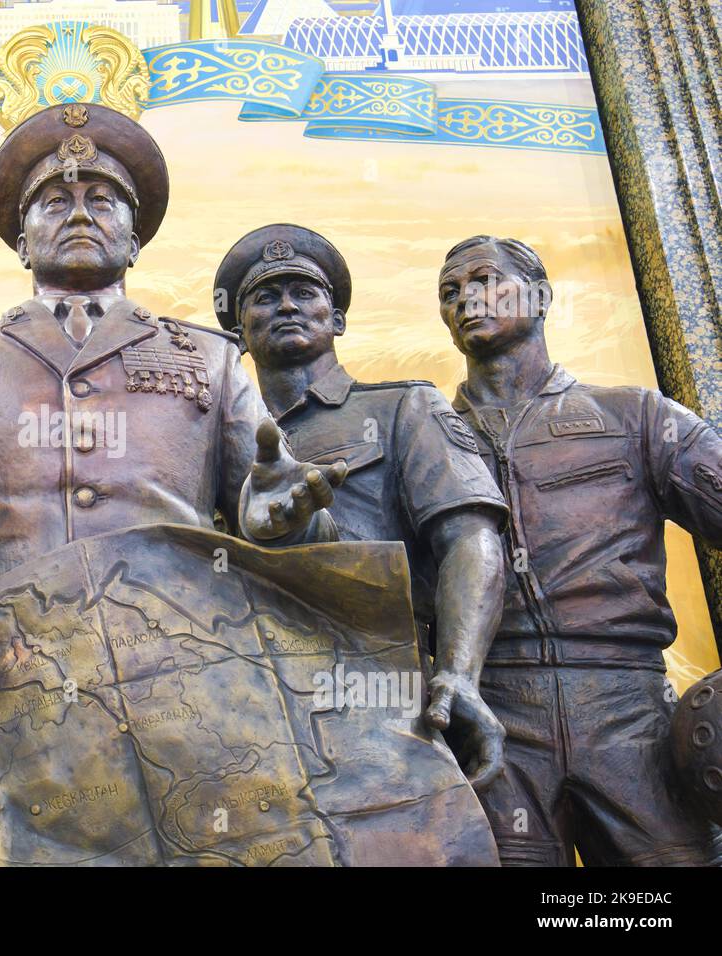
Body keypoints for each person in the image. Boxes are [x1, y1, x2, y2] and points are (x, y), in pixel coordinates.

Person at [0, 103, 345, 669]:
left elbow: (276, 506)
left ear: (134, 242)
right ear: (23, 244)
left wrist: (290, 524)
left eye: (102, 202)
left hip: (180, 654)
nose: (80, 214)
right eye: (56, 203)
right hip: (8, 657)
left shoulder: (210, 358)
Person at [440, 234, 722, 865]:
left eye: (485, 280)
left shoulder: (637, 417)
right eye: (450, 292)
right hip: (493, 721)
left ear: (541, 297)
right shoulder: (427, 435)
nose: (466, 300)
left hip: (630, 716)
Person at [214, 223, 509, 788]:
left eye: (305, 293)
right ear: (237, 330)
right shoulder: (220, 442)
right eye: (265, 297)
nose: (287, 306)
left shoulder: (405, 406)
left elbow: (470, 539)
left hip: (385, 694)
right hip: (252, 712)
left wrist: (460, 673)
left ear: (339, 319)